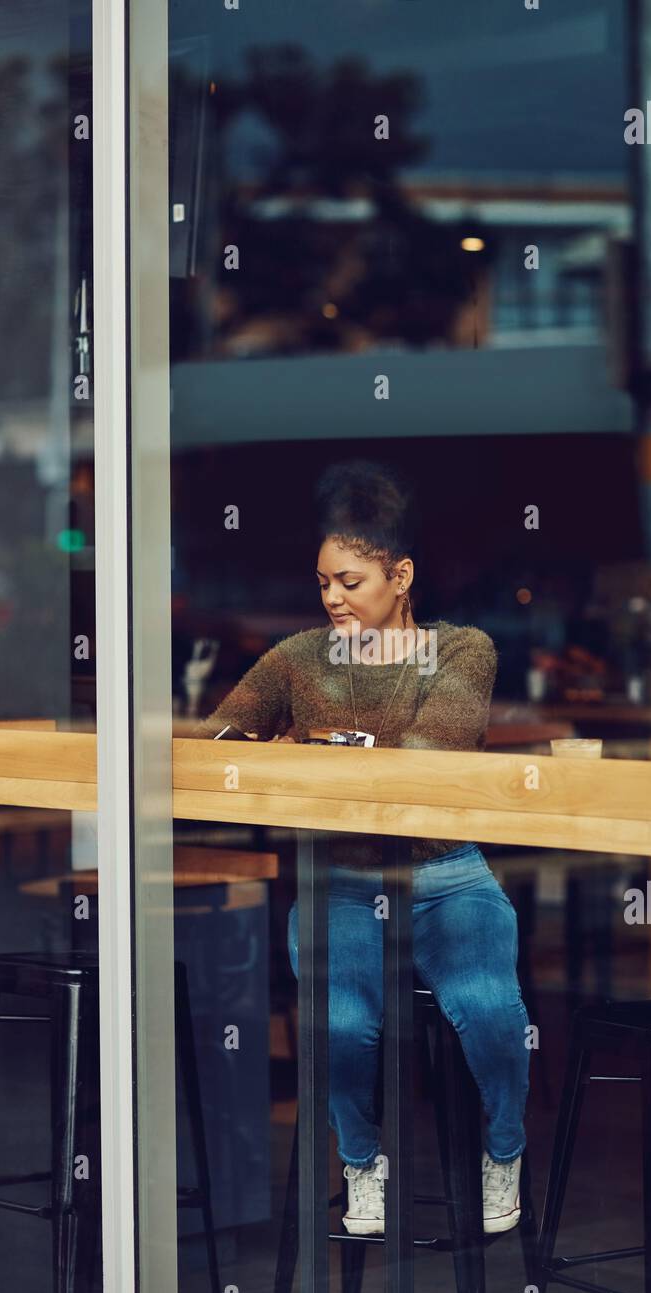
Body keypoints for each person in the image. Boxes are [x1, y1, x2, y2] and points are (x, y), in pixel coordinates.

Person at [192, 460, 531, 1234]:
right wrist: (274, 743)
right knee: (341, 1023)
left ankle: (504, 1152)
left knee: (486, 1008)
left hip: (446, 873)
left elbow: (427, 752)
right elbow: (218, 745)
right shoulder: (296, 658)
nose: (332, 599)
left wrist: (308, 744)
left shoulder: (463, 651)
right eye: (323, 584)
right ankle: (361, 1163)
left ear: (400, 574)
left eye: (349, 581)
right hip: (339, 878)